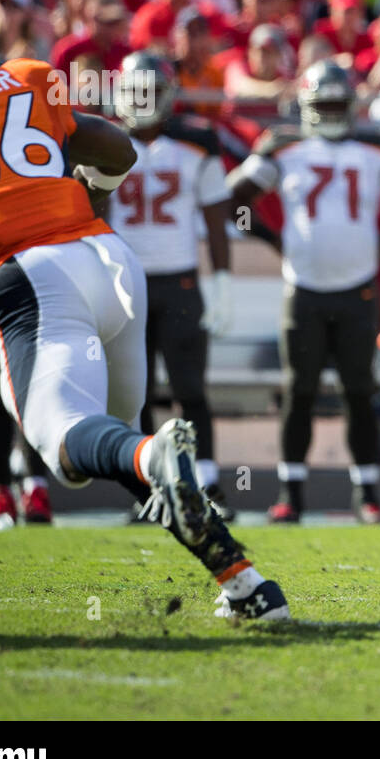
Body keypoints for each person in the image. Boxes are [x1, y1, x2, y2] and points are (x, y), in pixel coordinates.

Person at [0, 4, 287, 619]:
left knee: (65, 446)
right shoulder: (23, 74)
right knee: (122, 450)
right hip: (110, 256)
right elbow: (116, 146)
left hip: (28, 278)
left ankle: (160, 457)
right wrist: (88, 192)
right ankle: (248, 585)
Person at [227, 59, 380, 523]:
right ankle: (291, 494)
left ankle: (367, 494)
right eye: (322, 103)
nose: (329, 112)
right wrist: (271, 239)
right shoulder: (284, 146)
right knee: (298, 390)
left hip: (356, 290)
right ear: (306, 105)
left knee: (359, 391)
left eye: (336, 103)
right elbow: (234, 198)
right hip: (302, 288)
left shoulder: (375, 148)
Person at [103, 52, 236, 520]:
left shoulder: (197, 144)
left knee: (189, 387)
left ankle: (207, 483)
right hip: (126, 283)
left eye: (152, 92)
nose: (143, 101)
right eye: (137, 91)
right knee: (131, 393)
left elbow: (217, 220)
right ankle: (146, 488)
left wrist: (221, 282)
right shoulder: (103, 140)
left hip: (179, 281)